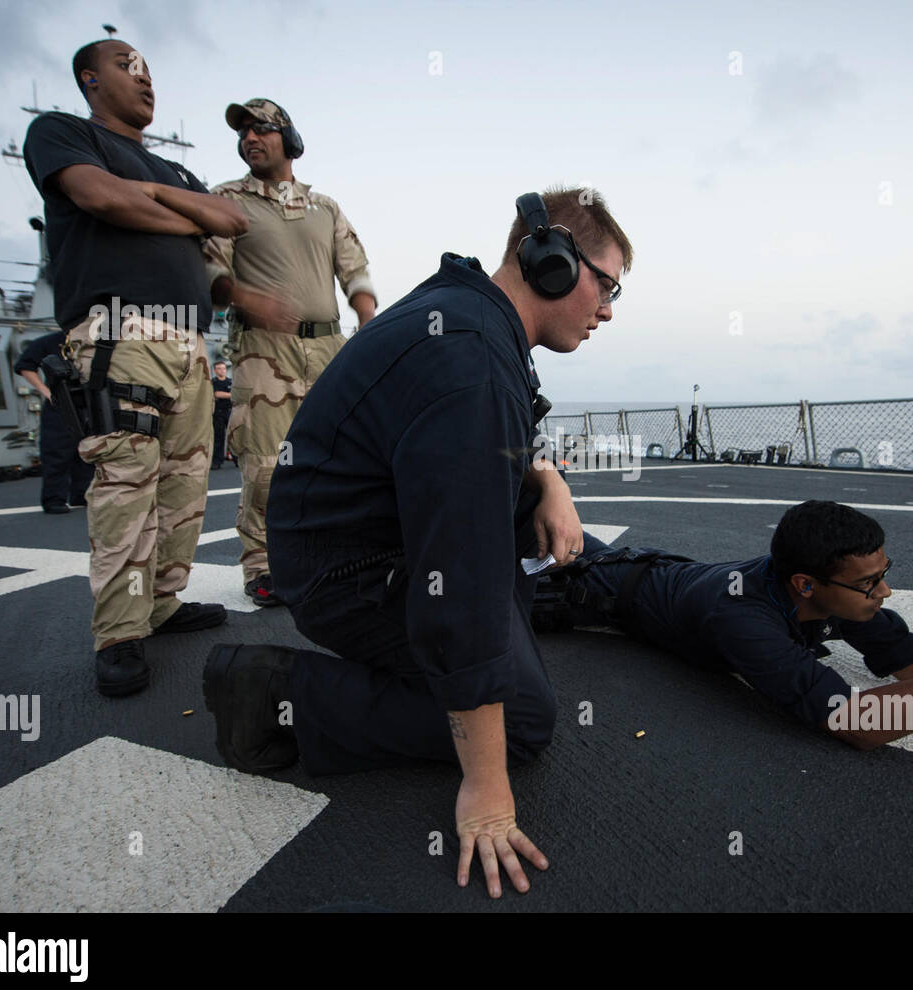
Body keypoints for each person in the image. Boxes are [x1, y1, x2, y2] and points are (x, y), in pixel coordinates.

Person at [203, 188, 630, 898]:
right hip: (351, 575)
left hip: (360, 539)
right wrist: (487, 789)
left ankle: (482, 655)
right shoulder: (471, 358)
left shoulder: (469, 315)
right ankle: (274, 693)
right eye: (607, 284)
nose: (608, 308)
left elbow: (501, 439)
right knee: (522, 719)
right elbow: (457, 588)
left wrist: (550, 479)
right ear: (551, 261)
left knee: (511, 569)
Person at [22, 38, 248, 696]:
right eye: (128, 66)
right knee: (127, 482)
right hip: (120, 331)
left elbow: (229, 220)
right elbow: (100, 199)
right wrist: (167, 209)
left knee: (184, 486)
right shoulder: (60, 132)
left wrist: (146, 189)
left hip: (188, 344)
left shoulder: (171, 171)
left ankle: (162, 602)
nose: (145, 78)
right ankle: (121, 630)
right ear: (91, 79)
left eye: (149, 68)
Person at [534, 500, 913, 748]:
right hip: (592, 592)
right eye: (869, 583)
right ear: (807, 585)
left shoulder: (837, 593)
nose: (885, 592)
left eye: (884, 575)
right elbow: (858, 725)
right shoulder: (745, 620)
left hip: (656, 573)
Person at [201, 98, 377, 608]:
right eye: (244, 133)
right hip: (262, 351)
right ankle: (261, 566)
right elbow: (212, 270)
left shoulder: (325, 208)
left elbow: (356, 269)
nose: (250, 139)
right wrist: (243, 297)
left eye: (262, 129)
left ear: (289, 139)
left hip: (329, 347)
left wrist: (367, 320)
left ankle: (326, 552)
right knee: (266, 466)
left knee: (335, 458)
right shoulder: (226, 201)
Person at [13, 330, 94, 513]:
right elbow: (25, 366)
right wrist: (47, 392)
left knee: (88, 450)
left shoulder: (94, 341)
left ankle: (81, 494)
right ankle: (54, 499)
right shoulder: (50, 341)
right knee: (56, 452)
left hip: (88, 403)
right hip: (61, 402)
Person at [210, 360, 232, 470]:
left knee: (234, 436)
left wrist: (227, 395)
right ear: (215, 370)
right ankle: (217, 461)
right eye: (219, 368)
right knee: (218, 438)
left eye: (223, 368)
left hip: (230, 412)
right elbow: (217, 394)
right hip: (218, 413)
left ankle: (236, 459)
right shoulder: (213, 382)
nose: (222, 370)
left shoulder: (230, 381)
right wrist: (231, 395)